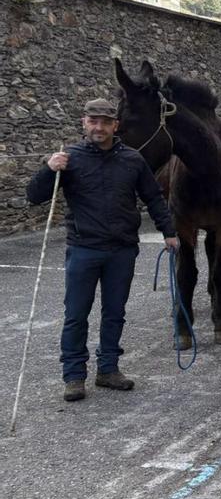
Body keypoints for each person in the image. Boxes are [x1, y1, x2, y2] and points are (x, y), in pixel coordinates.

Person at [26, 99, 179, 402]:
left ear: (115, 126)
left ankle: (108, 369)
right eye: (93, 121)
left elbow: (153, 198)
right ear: (84, 123)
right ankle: (73, 376)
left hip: (122, 249)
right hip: (83, 248)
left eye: (105, 122)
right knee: (76, 315)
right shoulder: (69, 158)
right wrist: (48, 169)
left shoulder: (133, 159)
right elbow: (35, 196)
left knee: (115, 313)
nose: (99, 127)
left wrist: (170, 232)